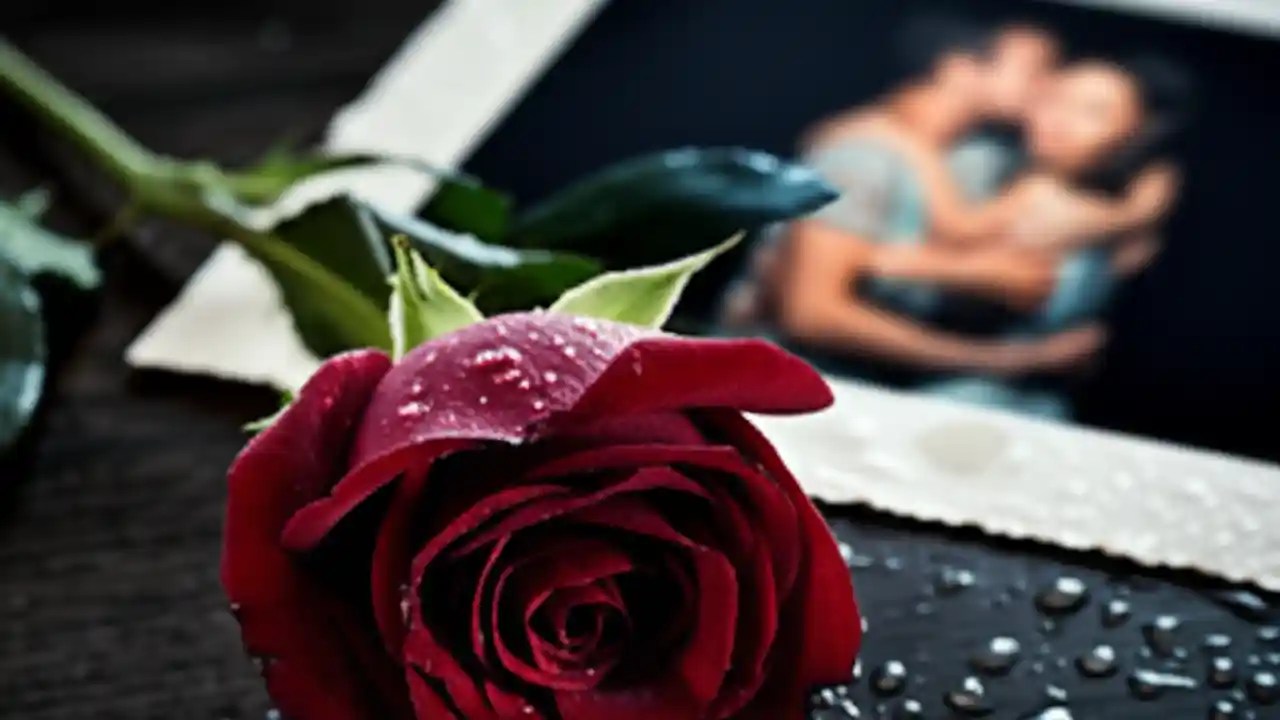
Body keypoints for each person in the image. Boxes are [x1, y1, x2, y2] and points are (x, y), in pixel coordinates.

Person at [725, 22, 1182, 418]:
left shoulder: (1065, 198)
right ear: (962, 68)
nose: (1044, 94)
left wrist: (1134, 212)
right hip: (799, 377)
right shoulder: (964, 162)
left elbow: (975, 239)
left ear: (1130, 134)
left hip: (990, 397)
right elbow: (810, 312)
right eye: (1041, 77)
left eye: (1093, 112)